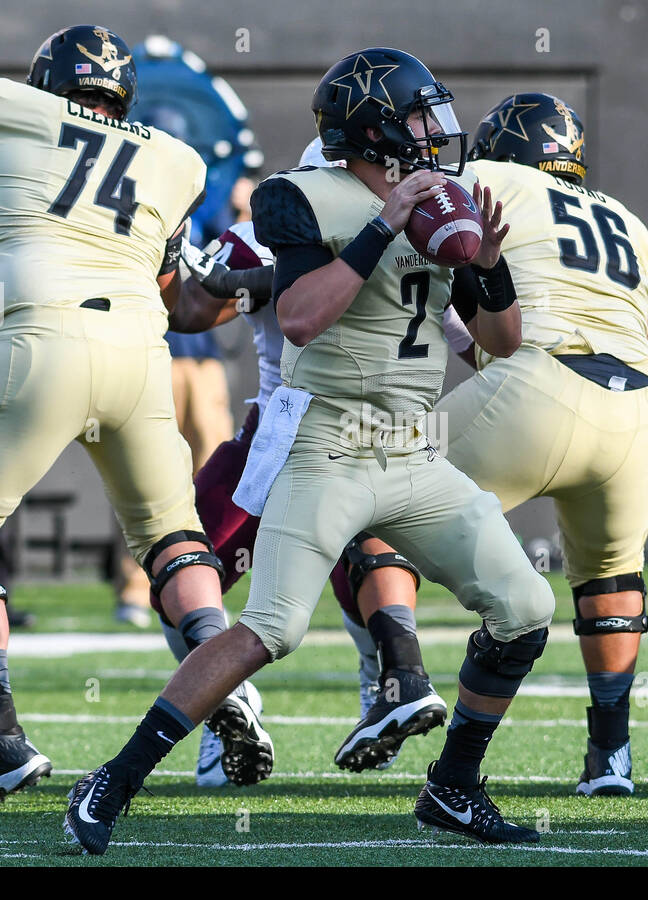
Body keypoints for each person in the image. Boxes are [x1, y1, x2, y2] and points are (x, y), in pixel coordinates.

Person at [64, 47, 555, 854]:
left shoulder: (445, 202)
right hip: (324, 442)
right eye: (421, 117)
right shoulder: (300, 196)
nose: (438, 133)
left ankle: (454, 789)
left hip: (410, 449)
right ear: (374, 128)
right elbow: (298, 317)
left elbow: (500, 343)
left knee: (527, 609)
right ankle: (113, 780)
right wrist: (383, 226)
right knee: (272, 627)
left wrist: (491, 268)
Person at [0, 24, 220, 810]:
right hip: (141, 350)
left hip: (42, 336)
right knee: (172, 538)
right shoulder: (175, 160)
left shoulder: (19, 112)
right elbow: (182, 297)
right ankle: (221, 677)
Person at [167, 137, 450, 785]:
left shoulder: (265, 231)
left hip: (284, 433)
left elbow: (190, 313)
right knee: (370, 544)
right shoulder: (417, 233)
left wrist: (179, 258)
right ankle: (398, 676)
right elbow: (474, 337)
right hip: (386, 430)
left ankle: (226, 705)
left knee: (181, 562)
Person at [441, 94, 648, 797]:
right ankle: (612, 755)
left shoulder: (489, 183)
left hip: (538, 386)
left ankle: (397, 679)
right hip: (639, 409)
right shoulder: (627, 223)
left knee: (376, 499)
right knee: (610, 575)